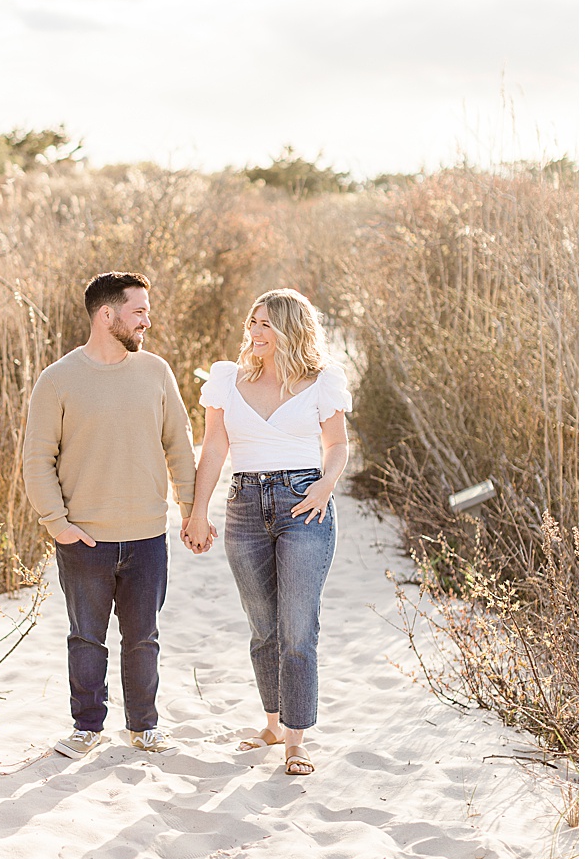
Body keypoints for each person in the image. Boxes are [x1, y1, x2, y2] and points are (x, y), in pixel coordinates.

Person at [22, 271, 197, 759]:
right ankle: (87, 727)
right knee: (86, 639)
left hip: (147, 536)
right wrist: (57, 523)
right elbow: (37, 459)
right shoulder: (57, 379)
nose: (147, 321)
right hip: (84, 539)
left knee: (143, 639)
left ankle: (144, 726)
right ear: (106, 315)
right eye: (138, 312)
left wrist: (190, 511)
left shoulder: (156, 371)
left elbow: (179, 444)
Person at [183, 288, 351, 777]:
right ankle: (273, 725)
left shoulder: (322, 382)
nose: (254, 332)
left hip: (304, 505)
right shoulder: (226, 380)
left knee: (297, 628)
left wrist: (324, 486)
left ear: (290, 330)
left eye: (265, 324)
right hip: (244, 506)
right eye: (252, 323)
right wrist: (198, 512)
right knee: (263, 626)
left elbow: (337, 445)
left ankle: (296, 740)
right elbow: (214, 449)